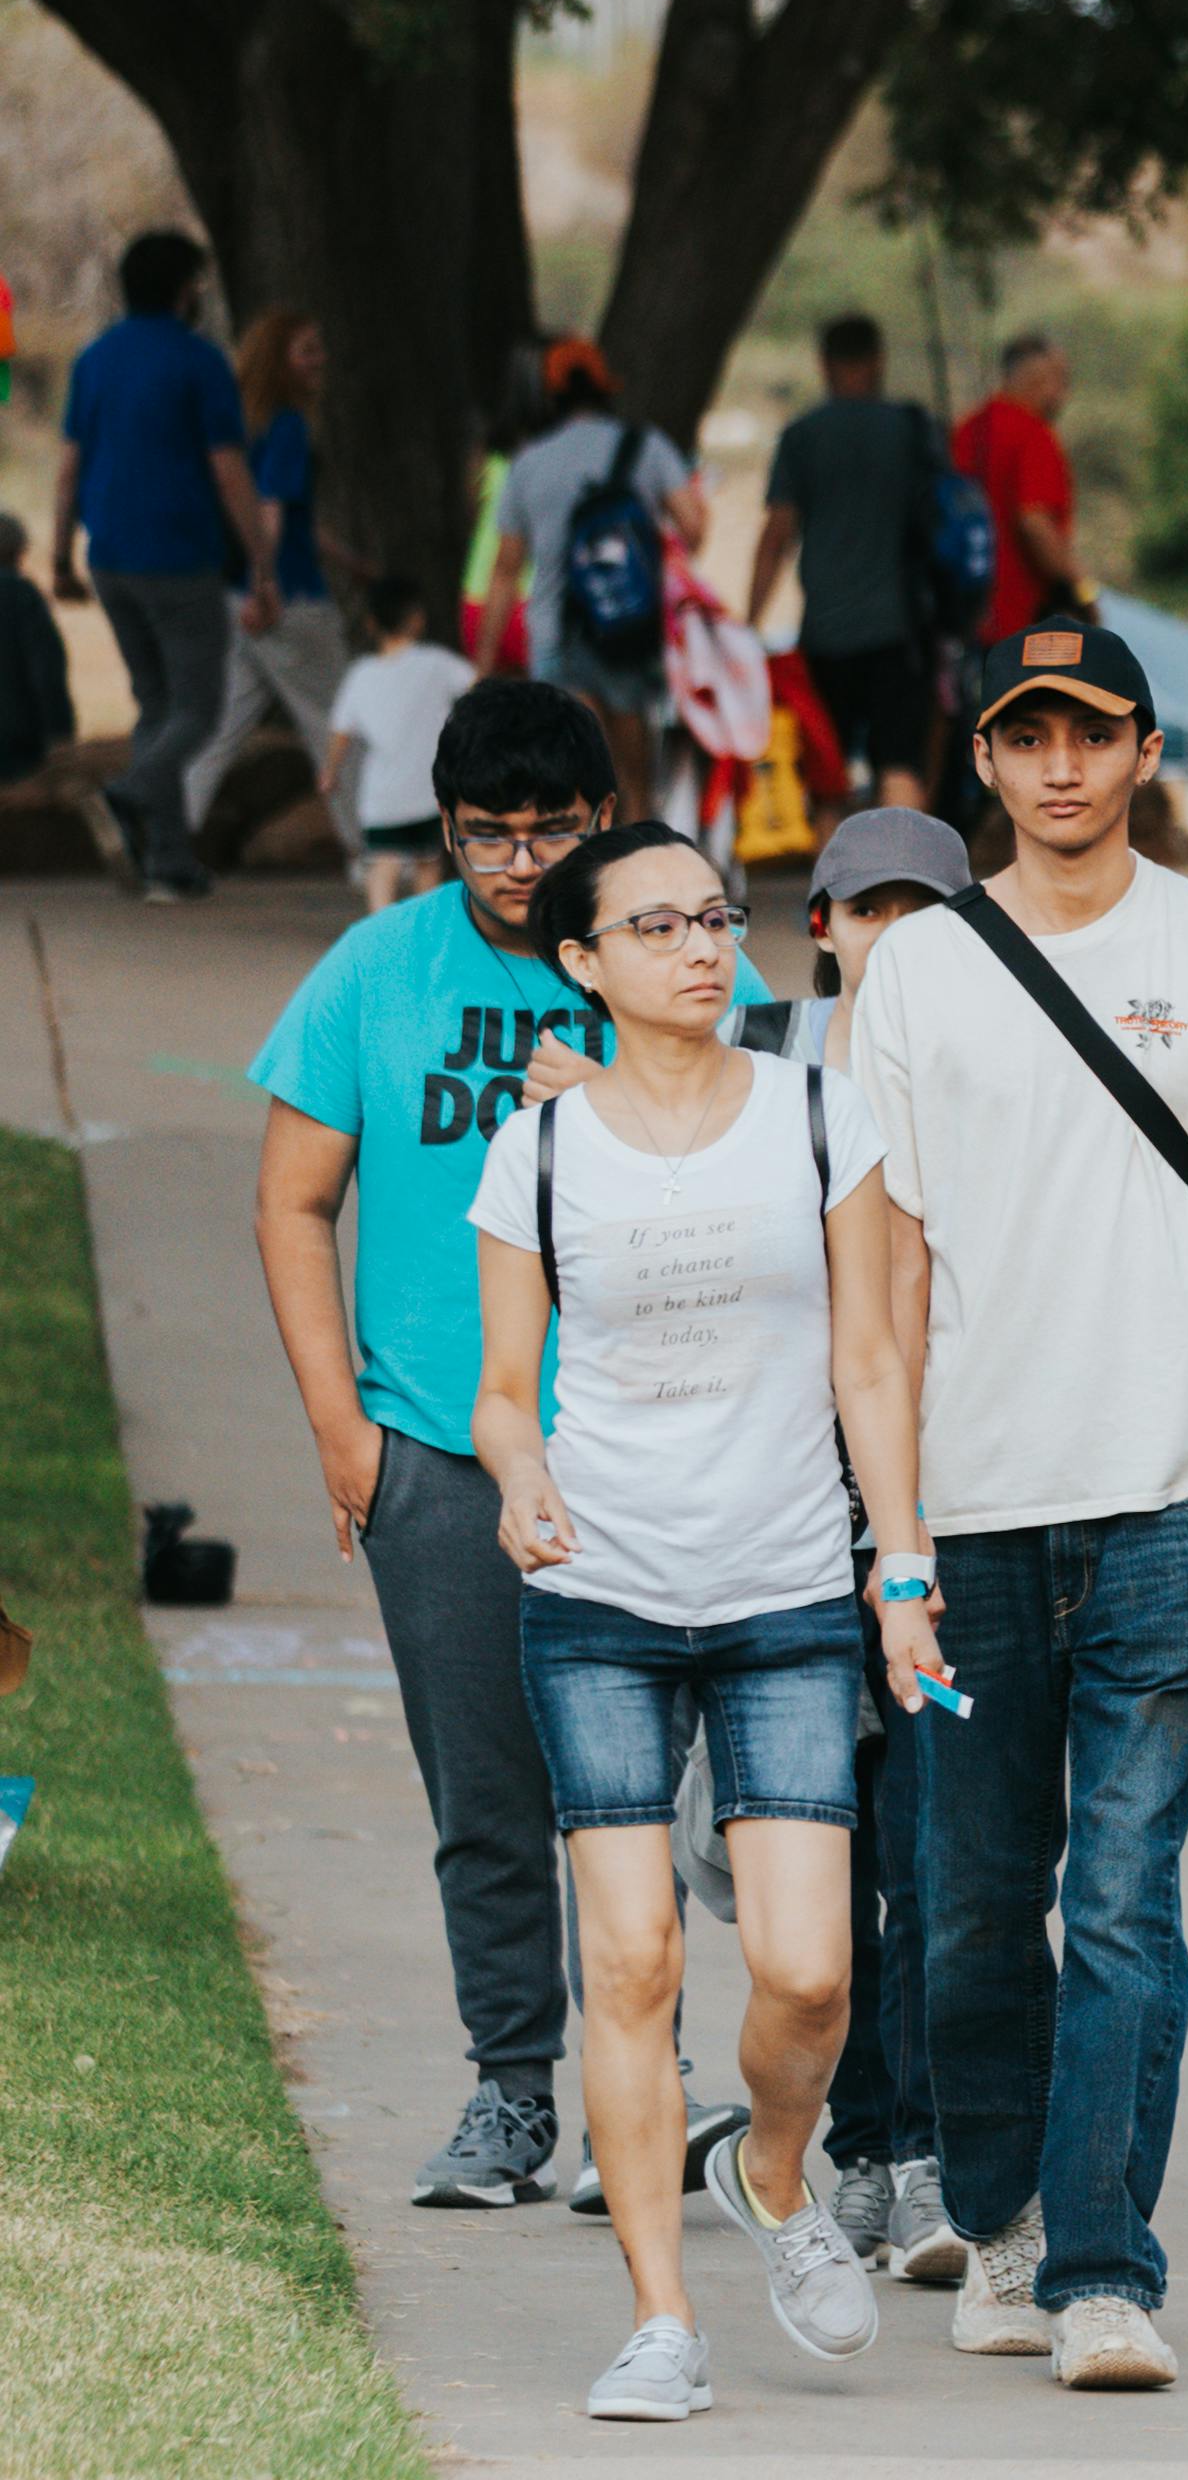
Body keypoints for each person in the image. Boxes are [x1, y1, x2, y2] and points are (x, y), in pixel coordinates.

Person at [840, 614, 1188, 2392]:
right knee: (975, 1900)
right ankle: (1004, 2217)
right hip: (972, 1507)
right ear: (982, 757)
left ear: (1145, 751)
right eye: (1026, 734)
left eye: (1093, 732)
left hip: (1171, 1492)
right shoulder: (915, 972)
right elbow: (884, 1286)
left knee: (1124, 1896)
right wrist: (896, 1543)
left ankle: (1107, 2267)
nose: (1060, 764)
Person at [249, 678, 772, 2210]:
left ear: (606, 819)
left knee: (634, 1797)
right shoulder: (376, 970)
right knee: (482, 1791)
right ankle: (510, 2091)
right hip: (438, 1444)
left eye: (552, 828)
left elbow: (767, 1182)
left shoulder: (673, 954)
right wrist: (342, 1428)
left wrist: (613, 1097)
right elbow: (292, 1199)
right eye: (487, 832)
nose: (520, 860)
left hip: (650, 1445)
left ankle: (645, 2091)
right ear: (444, 826)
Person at [463, 823, 891, 2417]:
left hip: (785, 1589)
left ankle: (771, 2170)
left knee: (809, 1970)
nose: (703, 945)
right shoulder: (539, 1153)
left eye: (716, 916)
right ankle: (662, 2319)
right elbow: (503, 1391)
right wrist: (519, 1475)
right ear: (582, 960)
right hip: (600, 1595)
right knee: (632, 1959)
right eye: (656, 926)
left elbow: (870, 1358)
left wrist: (903, 1559)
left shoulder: (817, 1113)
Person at [752, 810, 971, 2284]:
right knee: (819, 1865)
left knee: (938, 1848)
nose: (894, 933)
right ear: (821, 923)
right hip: (782, 1527)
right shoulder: (754, 1064)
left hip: (949, 1522)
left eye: (924, 908)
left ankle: (932, 2146)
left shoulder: (989, 1069)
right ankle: (866, 2144)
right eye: (867, 905)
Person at [53, 228, 266, 900]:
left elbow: (69, 466)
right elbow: (227, 469)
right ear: (185, 288)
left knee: (157, 706)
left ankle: (168, 862)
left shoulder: (94, 359)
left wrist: (59, 554)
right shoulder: (200, 362)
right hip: (178, 556)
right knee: (199, 710)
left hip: (110, 557)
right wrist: (261, 563)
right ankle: (127, 794)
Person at [482, 340, 706, 809]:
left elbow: (505, 572)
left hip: (556, 637)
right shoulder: (646, 447)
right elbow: (693, 528)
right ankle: (639, 844)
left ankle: (584, 853)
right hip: (628, 630)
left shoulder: (528, 464)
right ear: (606, 389)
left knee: (575, 784)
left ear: (550, 396)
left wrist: (483, 662)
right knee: (634, 783)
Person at [747, 314, 947, 810]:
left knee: (827, 776)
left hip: (825, 633)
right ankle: (905, 861)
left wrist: (749, 625)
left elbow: (776, 536)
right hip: (902, 630)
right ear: (878, 359)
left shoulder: (802, 436)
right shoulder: (912, 429)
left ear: (824, 364)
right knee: (899, 765)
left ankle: (830, 863)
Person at [189, 308, 348, 843]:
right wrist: (267, 583)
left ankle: (156, 834)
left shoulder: (240, 431)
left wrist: (354, 565)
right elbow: (272, 513)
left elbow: (291, 522)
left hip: (236, 597)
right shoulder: (286, 425)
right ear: (277, 362)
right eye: (307, 350)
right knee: (338, 725)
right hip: (288, 597)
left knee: (218, 729)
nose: (319, 360)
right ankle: (375, 852)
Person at [327, 583, 478, 912]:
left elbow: (341, 731)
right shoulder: (437, 663)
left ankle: (380, 929)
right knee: (428, 864)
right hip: (428, 793)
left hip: (382, 797)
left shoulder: (361, 674)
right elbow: (476, 687)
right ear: (416, 619)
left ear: (370, 623)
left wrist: (330, 772)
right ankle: (425, 930)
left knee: (383, 866)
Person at [945, 333, 1081, 643]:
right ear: (1036, 379)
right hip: (1022, 625)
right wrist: (1081, 591)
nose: (1063, 393)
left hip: (967, 617)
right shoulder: (1034, 435)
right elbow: (1034, 522)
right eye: (1060, 379)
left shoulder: (966, 430)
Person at [0, 511, 81, 790]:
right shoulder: (21, 595)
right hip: (15, 744)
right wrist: (60, 733)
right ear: (17, 552)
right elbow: (46, 671)